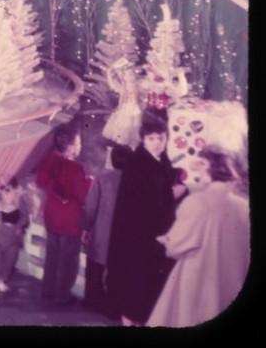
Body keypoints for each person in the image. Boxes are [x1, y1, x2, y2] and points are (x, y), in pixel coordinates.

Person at [148, 147, 250, 327]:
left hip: (197, 283)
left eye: (203, 164)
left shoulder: (197, 202)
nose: (199, 169)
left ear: (217, 168)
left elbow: (174, 245)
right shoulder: (244, 207)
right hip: (234, 284)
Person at [106, 112, 188, 326]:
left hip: (151, 239)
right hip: (137, 239)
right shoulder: (138, 163)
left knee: (145, 291)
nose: (157, 143)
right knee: (135, 288)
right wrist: (174, 193)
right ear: (143, 138)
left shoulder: (162, 160)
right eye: (152, 138)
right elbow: (148, 201)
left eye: (161, 138)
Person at [36, 124, 92, 305]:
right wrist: (90, 182)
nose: (80, 146)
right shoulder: (76, 168)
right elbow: (82, 197)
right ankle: (62, 296)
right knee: (67, 260)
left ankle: (47, 290)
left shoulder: (49, 160)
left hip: (52, 216)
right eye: (78, 143)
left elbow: (41, 182)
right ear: (70, 146)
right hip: (70, 220)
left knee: (52, 255)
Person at [81, 144, 132, 317]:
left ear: (112, 159)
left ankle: (90, 300)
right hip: (123, 236)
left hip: (101, 232)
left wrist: (85, 227)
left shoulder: (102, 179)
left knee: (95, 267)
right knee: (117, 272)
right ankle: (113, 307)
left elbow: (90, 207)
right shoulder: (135, 181)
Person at [0, 178, 35, 302]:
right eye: (5, 190)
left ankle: (2, 280)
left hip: (12, 239)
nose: (8, 194)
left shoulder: (20, 202)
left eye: (11, 190)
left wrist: (19, 227)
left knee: (9, 261)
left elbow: (25, 218)